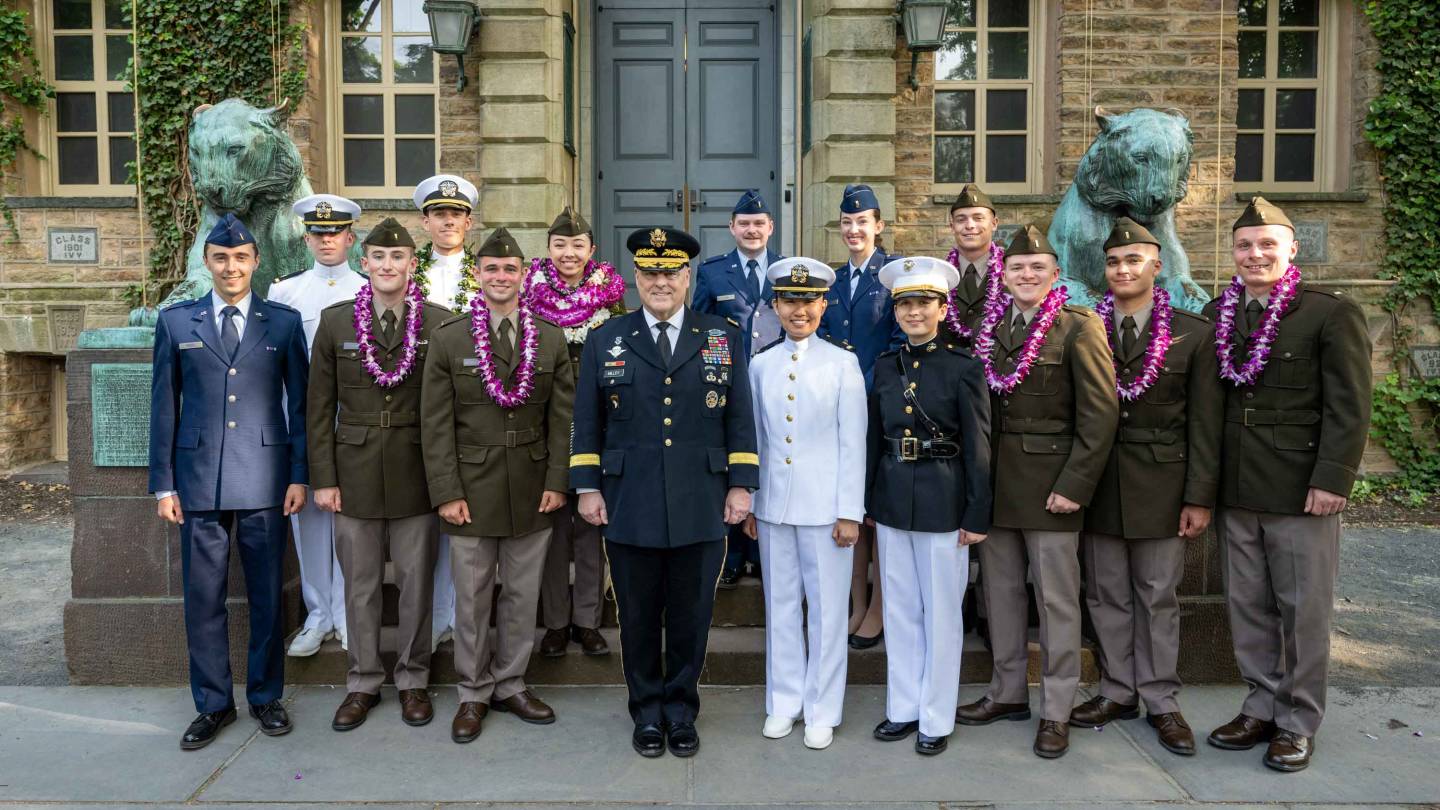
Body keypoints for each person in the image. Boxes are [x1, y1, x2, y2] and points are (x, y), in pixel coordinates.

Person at [570, 226, 759, 759]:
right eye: (650, 272)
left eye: (671, 272)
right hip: (629, 500)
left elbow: (740, 418)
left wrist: (741, 484)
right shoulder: (607, 338)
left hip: (701, 497)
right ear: (636, 277)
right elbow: (586, 420)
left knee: (691, 614)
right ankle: (646, 712)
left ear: (687, 277)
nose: (660, 282)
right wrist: (587, 486)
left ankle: (681, 710)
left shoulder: (721, 335)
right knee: (636, 614)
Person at [1201, 197, 1372, 772]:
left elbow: (1349, 407)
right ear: (1233, 252)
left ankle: (1298, 720)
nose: (1256, 254)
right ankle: (1260, 705)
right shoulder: (1218, 309)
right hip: (1237, 486)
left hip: (1301, 488)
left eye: (1267, 244)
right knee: (1247, 607)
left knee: (1303, 610)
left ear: (1291, 248)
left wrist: (1333, 479)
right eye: (1246, 245)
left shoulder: (1328, 313)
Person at [956, 224, 1118, 760]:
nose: (1026, 276)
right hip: (997, 486)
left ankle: (1056, 707)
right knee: (997, 594)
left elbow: (1099, 415)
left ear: (1054, 275)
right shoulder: (989, 325)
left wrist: (1075, 484)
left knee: (1056, 602)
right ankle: (1006, 693)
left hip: (1052, 489)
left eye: (1037, 268)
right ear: (1004, 273)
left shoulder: (1078, 327)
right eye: (1018, 268)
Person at [149, 213, 308, 750]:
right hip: (196, 483)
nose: (231, 266)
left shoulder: (282, 324)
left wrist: (300, 476)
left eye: (241, 257)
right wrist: (163, 485)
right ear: (208, 262)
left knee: (267, 597)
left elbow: (302, 409)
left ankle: (265, 696)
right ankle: (213, 704)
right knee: (203, 599)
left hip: (266, 478)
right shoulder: (176, 323)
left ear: (256, 262)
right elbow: (163, 408)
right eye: (221, 257)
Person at [1075, 217, 1223, 756]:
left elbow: (1206, 422)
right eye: (1113, 261)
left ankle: (1161, 698)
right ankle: (1117, 690)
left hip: (1164, 484)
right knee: (1105, 593)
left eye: (1133, 259)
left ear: (1155, 266)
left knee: (1157, 597)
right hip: (1099, 483)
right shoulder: (1082, 327)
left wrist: (1199, 495)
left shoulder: (1192, 333)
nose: (1122, 269)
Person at [421, 226, 575, 742]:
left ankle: (511, 683)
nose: (501, 277)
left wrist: (558, 480)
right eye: (491, 269)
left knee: (522, 595)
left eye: (510, 269)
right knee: (472, 597)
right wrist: (446, 491)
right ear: (478, 275)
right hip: (471, 488)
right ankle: (472, 692)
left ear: (524, 274)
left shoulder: (550, 338)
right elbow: (435, 424)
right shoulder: (449, 338)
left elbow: (562, 419)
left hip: (534, 487)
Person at [306, 218, 453, 731]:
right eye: (379, 258)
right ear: (364, 262)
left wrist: (447, 483)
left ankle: (414, 679)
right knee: (360, 585)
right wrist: (323, 478)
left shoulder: (440, 323)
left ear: (413, 266)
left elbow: (450, 410)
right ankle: (364, 680)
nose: (388, 267)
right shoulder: (335, 322)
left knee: (417, 584)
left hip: (418, 471)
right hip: (355, 472)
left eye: (398, 258)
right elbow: (318, 408)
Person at [867, 256, 993, 756]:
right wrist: (870, 501)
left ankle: (936, 717)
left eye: (923, 302)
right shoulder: (883, 367)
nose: (913, 312)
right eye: (905, 304)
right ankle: (903, 707)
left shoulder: (964, 368)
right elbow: (876, 439)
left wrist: (977, 513)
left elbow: (981, 445)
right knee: (899, 609)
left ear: (943, 307)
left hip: (945, 500)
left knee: (942, 613)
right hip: (895, 497)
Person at [742, 256, 865, 750]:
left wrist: (849, 512)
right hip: (774, 506)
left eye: (808, 300)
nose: (799, 310)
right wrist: (751, 502)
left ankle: (822, 707)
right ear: (775, 305)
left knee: (829, 611)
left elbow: (852, 442)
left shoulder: (843, 363)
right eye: (790, 300)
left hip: (826, 509)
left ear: (823, 303)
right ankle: (785, 701)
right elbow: (754, 440)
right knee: (781, 608)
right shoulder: (759, 364)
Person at [525, 206, 626, 659]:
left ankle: (587, 620)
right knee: (551, 528)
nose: (569, 253)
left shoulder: (610, 296)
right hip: (543, 423)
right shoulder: (529, 294)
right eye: (560, 245)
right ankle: (555, 622)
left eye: (578, 245)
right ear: (548, 249)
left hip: (596, 422)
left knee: (590, 525)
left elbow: (622, 350)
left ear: (592, 250)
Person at [267, 193, 365, 657]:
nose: (327, 241)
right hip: (302, 419)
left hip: (354, 421)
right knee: (307, 523)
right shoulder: (285, 292)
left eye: (336, 233)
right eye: (318, 233)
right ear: (307, 238)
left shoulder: (367, 289)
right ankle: (317, 613)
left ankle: (347, 614)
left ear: (351, 237)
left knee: (349, 522)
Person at [819, 183, 902, 650]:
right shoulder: (831, 281)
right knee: (848, 504)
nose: (854, 230)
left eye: (862, 222)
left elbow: (895, 341)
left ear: (878, 226)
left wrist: (862, 384)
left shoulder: (892, 276)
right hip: (839, 411)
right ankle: (856, 602)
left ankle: (879, 607)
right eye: (847, 223)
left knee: (876, 511)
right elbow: (826, 338)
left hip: (880, 407)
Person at [694, 190, 784, 588]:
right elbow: (700, 325)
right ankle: (731, 555)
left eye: (758, 223)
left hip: (780, 384)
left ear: (770, 228)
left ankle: (761, 551)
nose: (751, 230)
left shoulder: (786, 269)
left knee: (773, 460)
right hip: (731, 383)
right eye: (744, 223)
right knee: (732, 464)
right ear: (732, 228)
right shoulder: (713, 272)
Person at [411, 172, 481, 647]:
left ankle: (460, 617)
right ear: (425, 221)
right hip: (413, 404)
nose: (448, 221)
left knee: (464, 520)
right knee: (423, 525)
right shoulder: (404, 270)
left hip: (472, 410)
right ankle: (433, 620)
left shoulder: (486, 273)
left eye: (455, 214)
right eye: (439, 214)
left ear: (469, 222)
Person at [943, 184, 1006, 346]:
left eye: (978, 218)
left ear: (994, 223)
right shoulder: (938, 275)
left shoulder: (1014, 272)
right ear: (952, 227)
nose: (970, 225)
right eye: (961, 219)